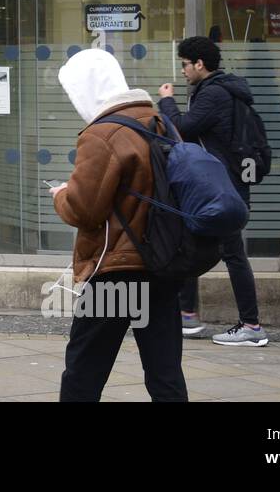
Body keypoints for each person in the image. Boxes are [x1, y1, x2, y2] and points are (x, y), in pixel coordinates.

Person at [52, 48, 187, 402]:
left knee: (83, 371)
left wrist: (60, 195)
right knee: (165, 372)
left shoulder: (103, 134)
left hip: (117, 270)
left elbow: (84, 211)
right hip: (162, 264)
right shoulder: (161, 123)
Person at [158, 36, 267, 347]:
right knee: (189, 242)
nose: (182, 72)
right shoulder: (221, 90)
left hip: (223, 190)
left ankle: (251, 325)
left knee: (232, 254)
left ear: (199, 64)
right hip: (221, 187)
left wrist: (166, 100)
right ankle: (188, 315)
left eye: (185, 65)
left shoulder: (214, 94)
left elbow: (179, 129)